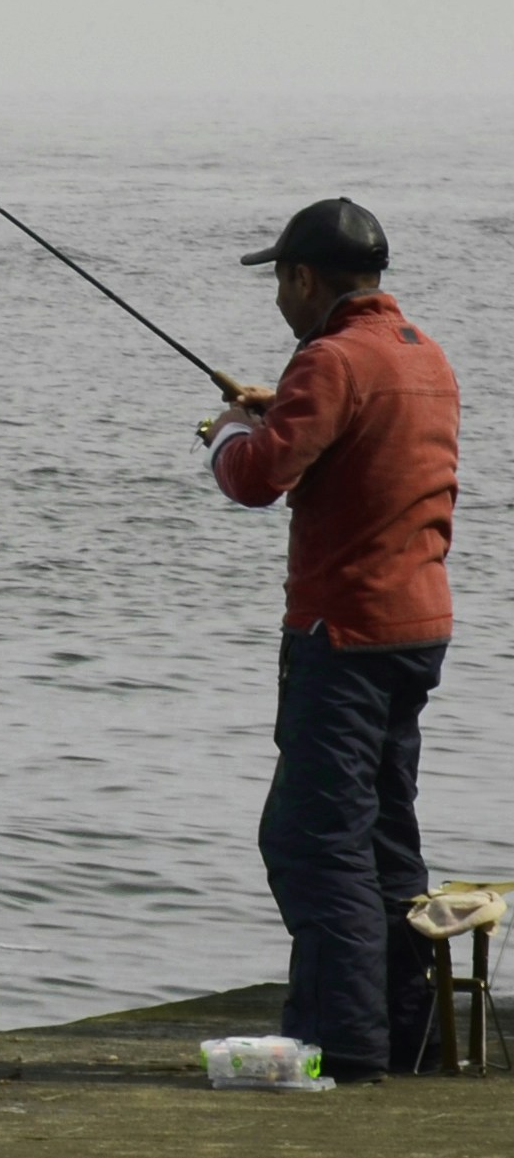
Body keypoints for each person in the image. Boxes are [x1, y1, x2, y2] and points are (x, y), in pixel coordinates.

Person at [199, 196, 460, 1080]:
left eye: (280, 277)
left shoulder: (330, 358)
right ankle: (407, 1032)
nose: (279, 296)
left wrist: (232, 427)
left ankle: (342, 1043)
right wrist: (284, 404)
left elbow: (255, 477)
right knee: (386, 833)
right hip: (416, 629)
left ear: (304, 278)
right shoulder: (421, 355)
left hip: (341, 632)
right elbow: (357, 431)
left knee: (315, 839)